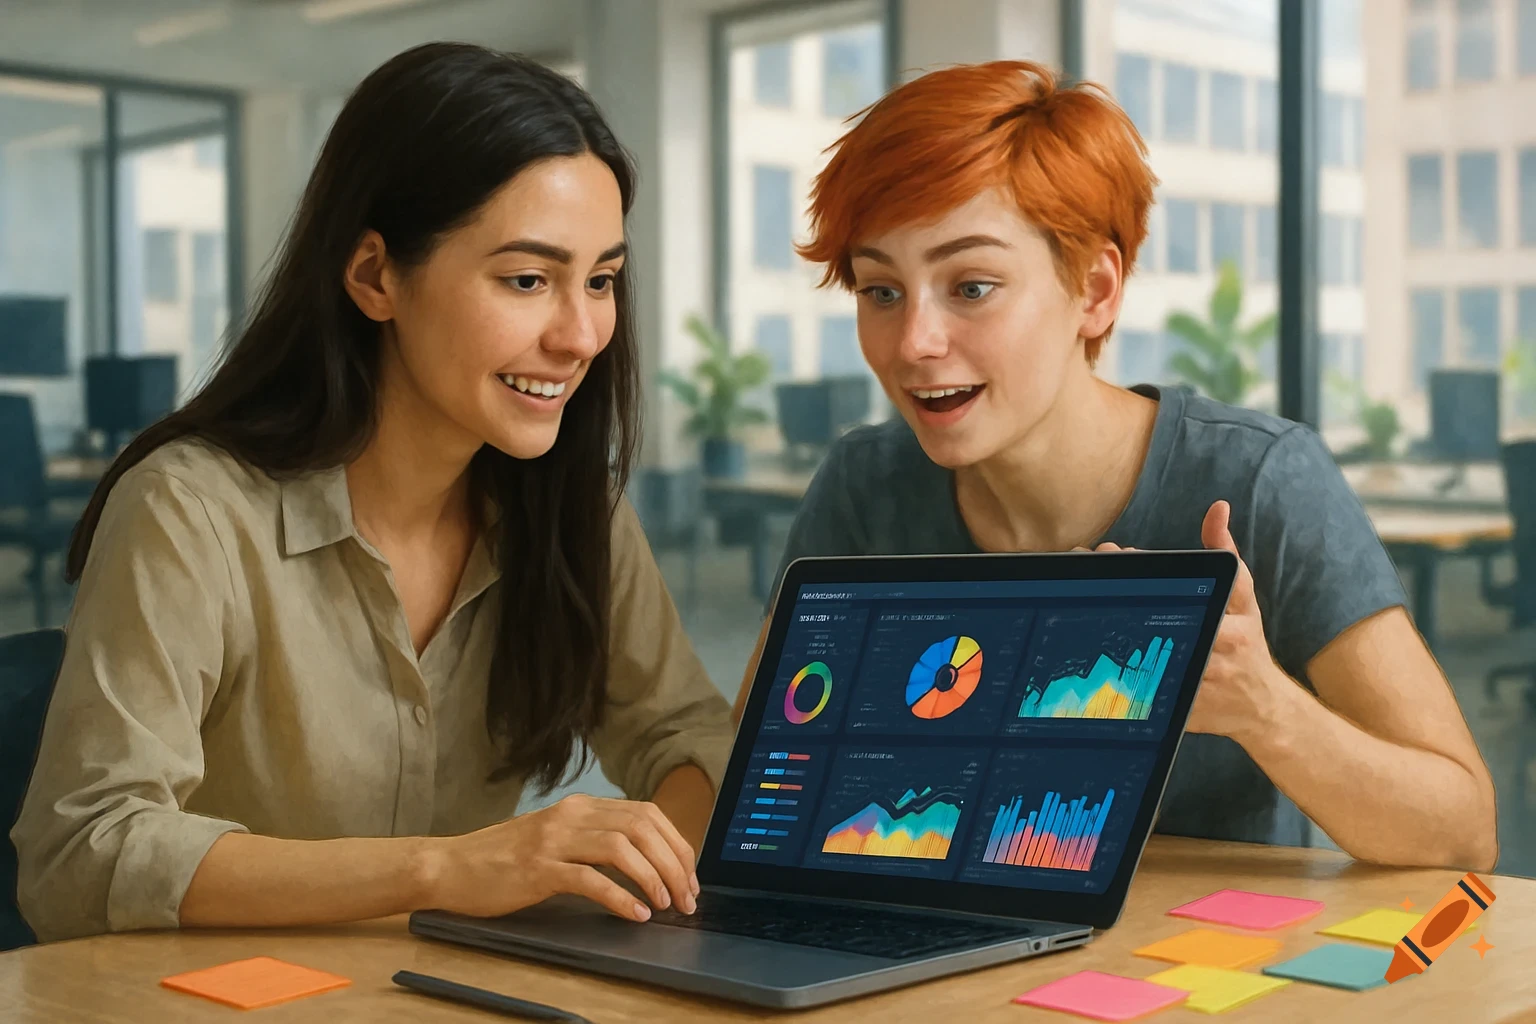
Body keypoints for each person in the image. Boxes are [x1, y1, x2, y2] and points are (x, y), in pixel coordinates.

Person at [12, 43, 735, 943]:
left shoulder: (570, 511)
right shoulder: (190, 512)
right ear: (374, 276)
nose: (582, 333)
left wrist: (647, 873)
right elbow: (86, 850)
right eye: (526, 280)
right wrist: (448, 868)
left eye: (601, 280)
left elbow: (691, 736)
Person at [735, 60, 1497, 871]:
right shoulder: (864, 488)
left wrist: (1264, 707)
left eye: (973, 286)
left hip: (1203, 975)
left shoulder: (1258, 479)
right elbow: (757, 785)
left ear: (1095, 290)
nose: (914, 342)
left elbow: (1463, 831)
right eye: (881, 291)